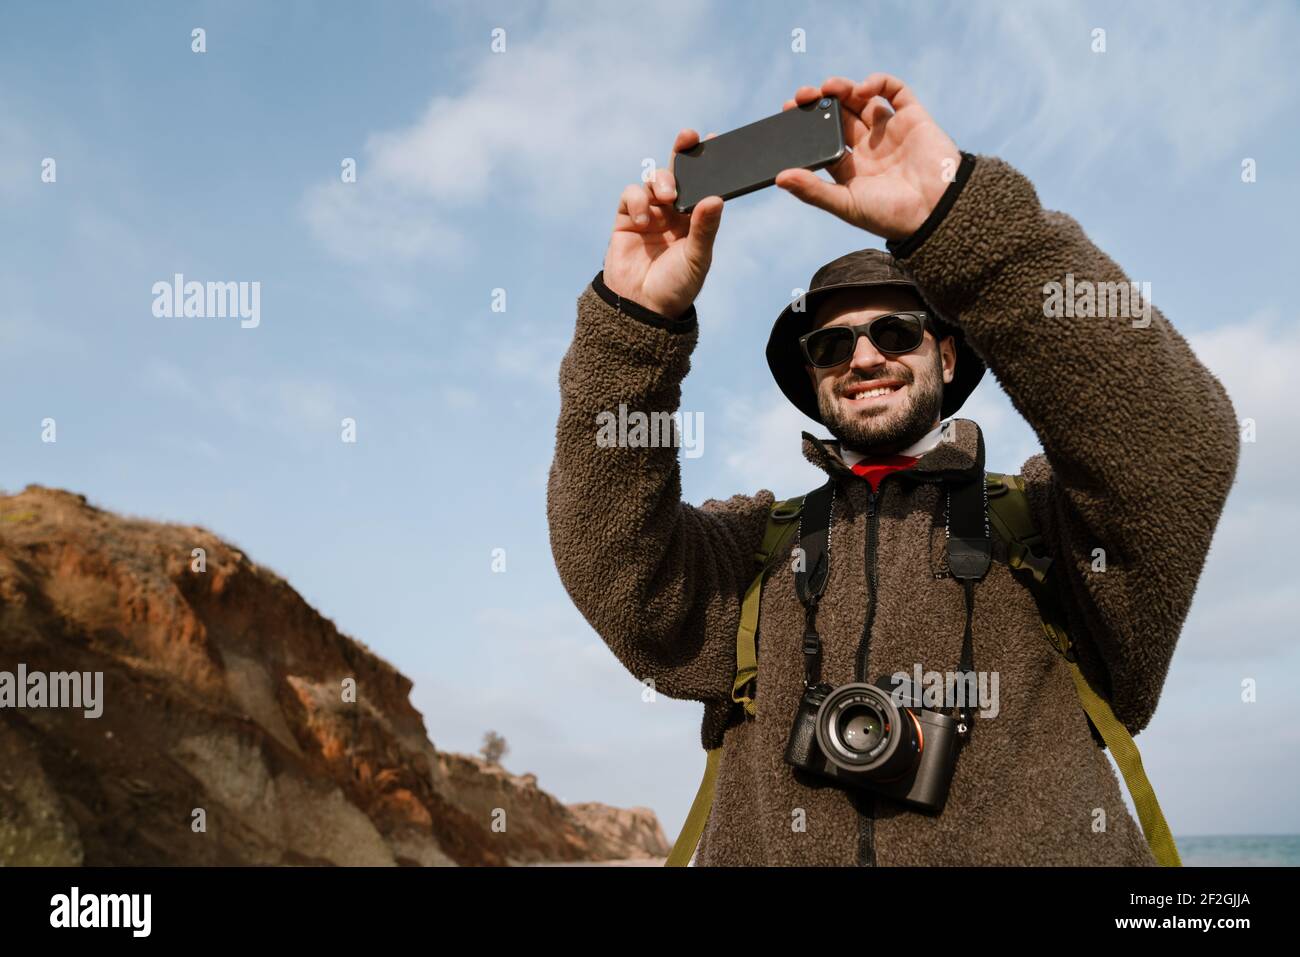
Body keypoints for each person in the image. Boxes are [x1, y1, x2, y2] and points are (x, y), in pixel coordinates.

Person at [546, 74, 1239, 865]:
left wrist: (958, 224)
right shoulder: (754, 549)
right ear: (814, 381)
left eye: (895, 331)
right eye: (832, 346)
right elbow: (610, 560)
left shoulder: (1052, 527)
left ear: (946, 352)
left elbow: (1175, 445)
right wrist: (632, 324)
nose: (865, 356)